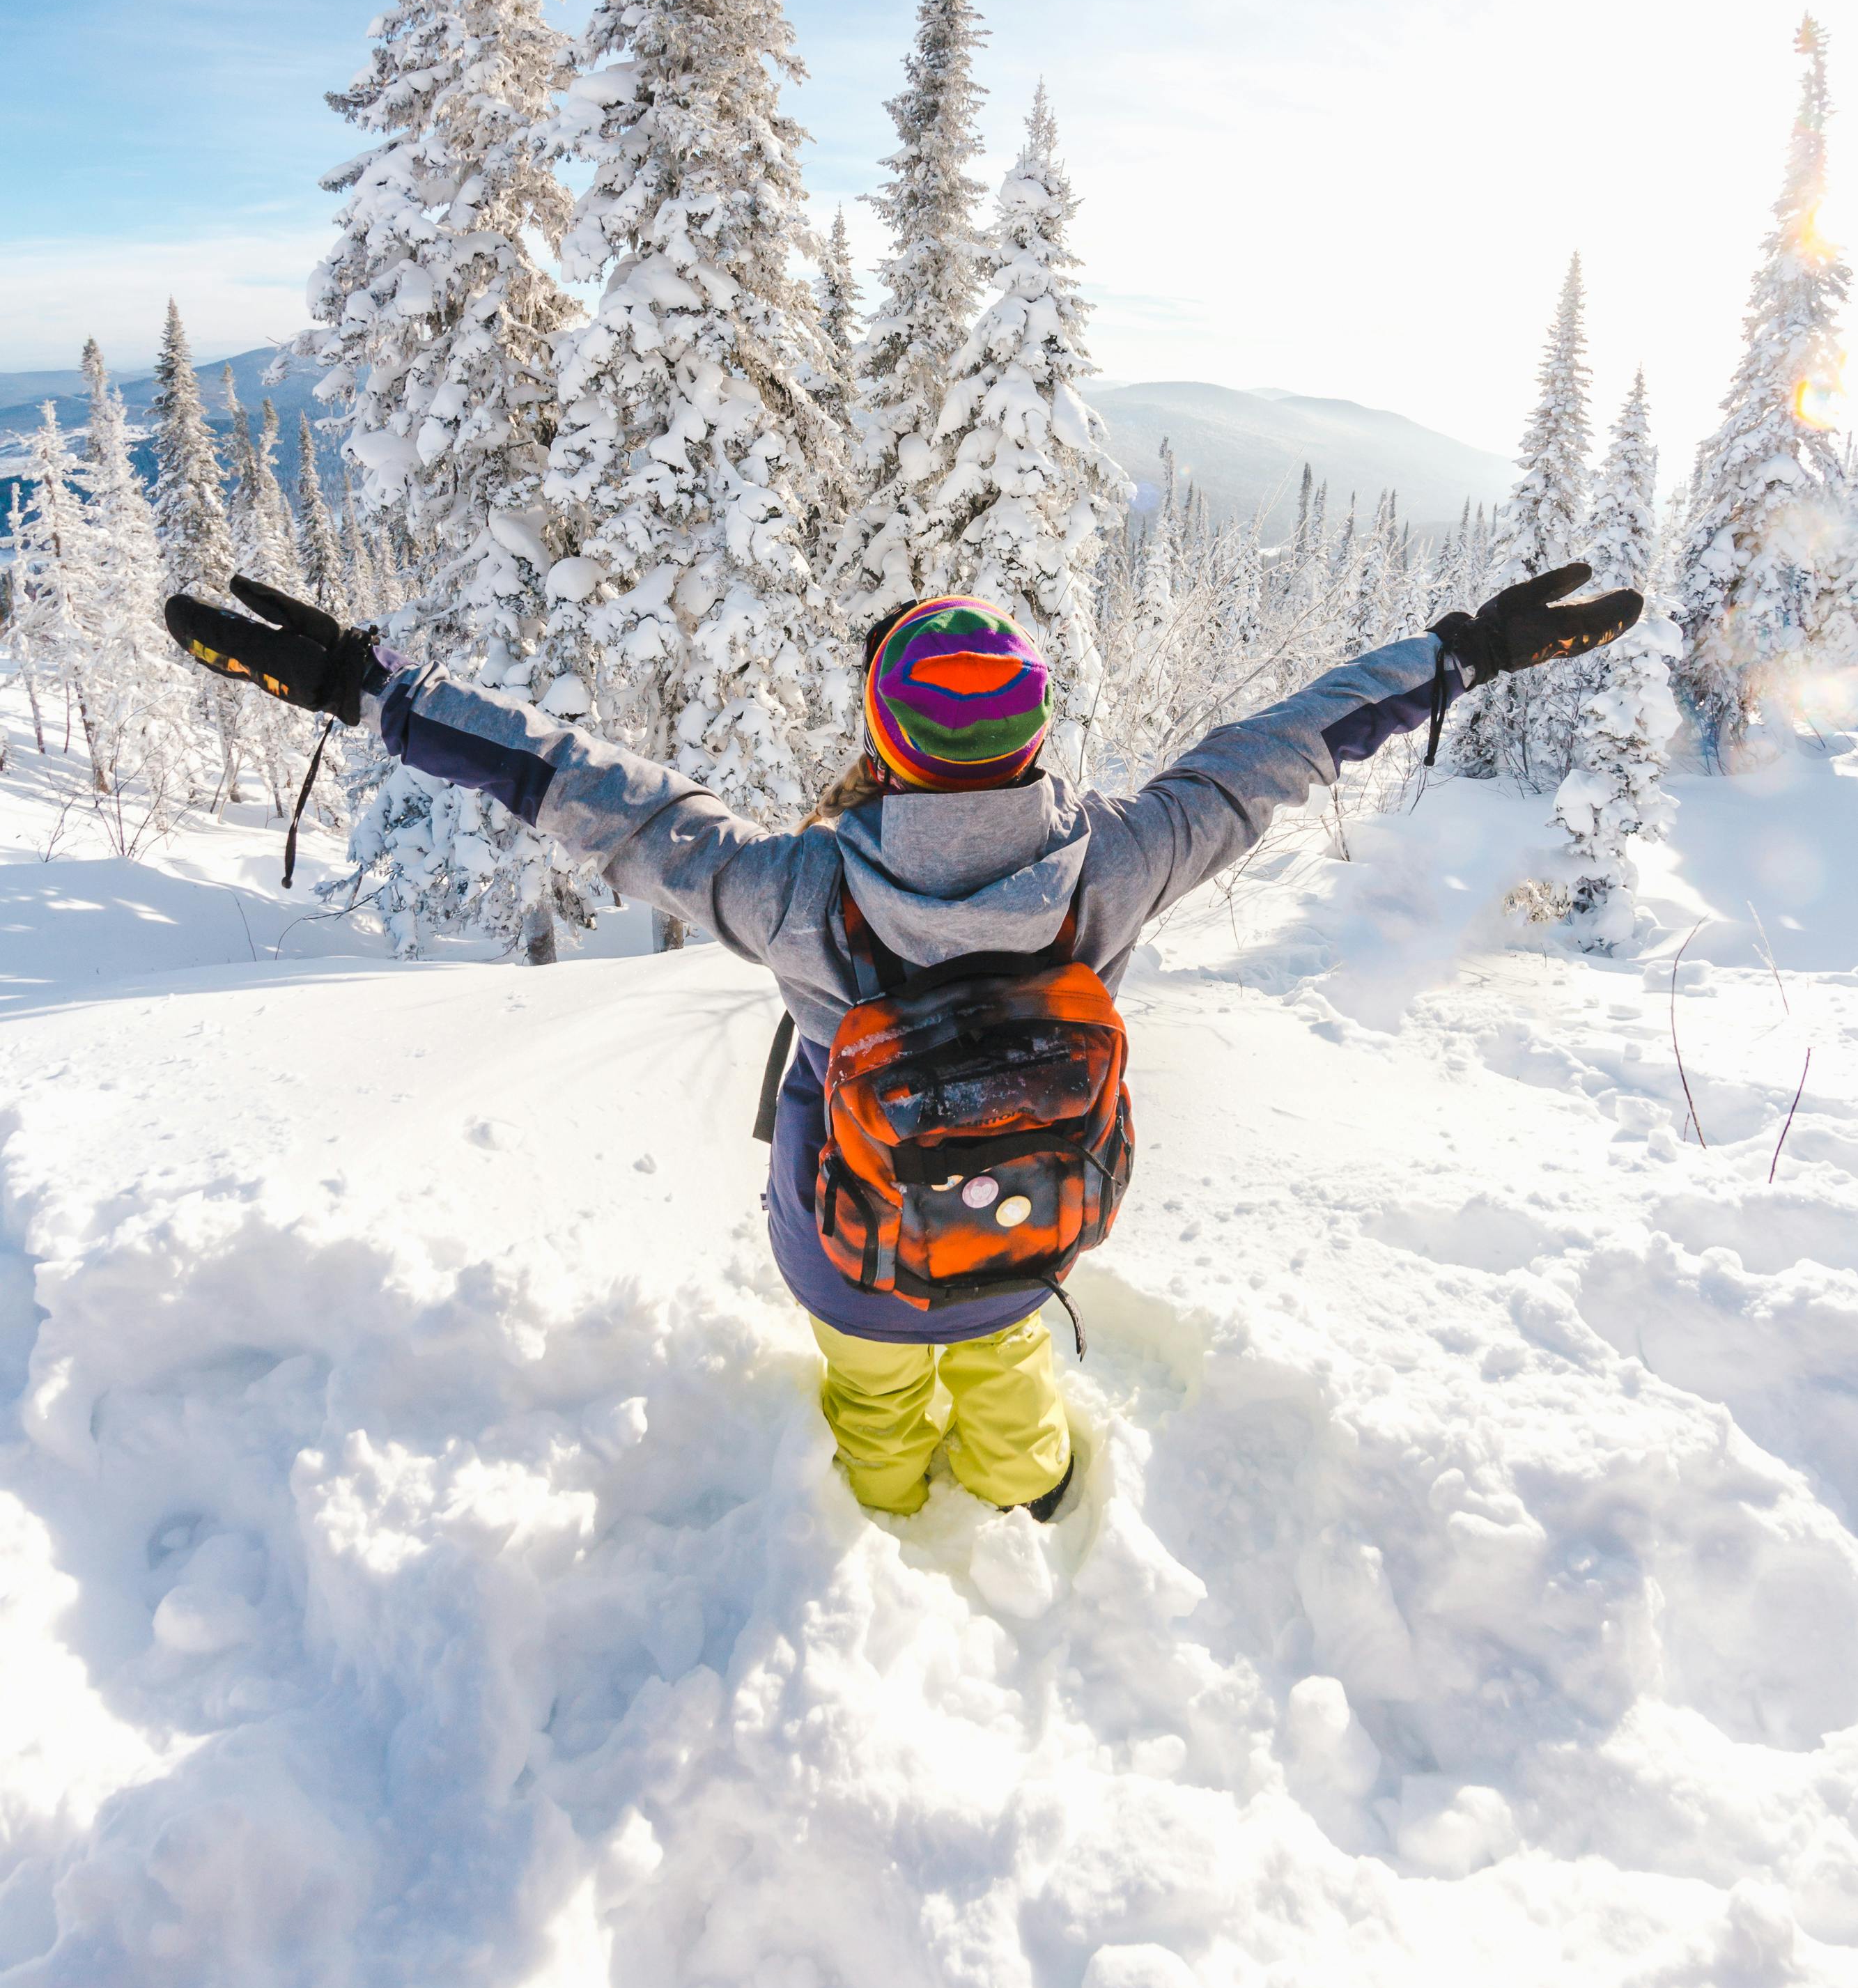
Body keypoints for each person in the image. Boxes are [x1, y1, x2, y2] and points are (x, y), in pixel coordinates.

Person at [167, 564, 1641, 1521]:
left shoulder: (792, 890)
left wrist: (375, 691)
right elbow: (1297, 736)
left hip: (850, 1241)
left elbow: (572, 782)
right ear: (1032, 736)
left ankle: (878, 1508)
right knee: (1001, 1359)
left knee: (875, 1385)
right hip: (1026, 1228)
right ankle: (1030, 1490)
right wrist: (1461, 652)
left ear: (882, 737)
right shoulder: (1123, 860)